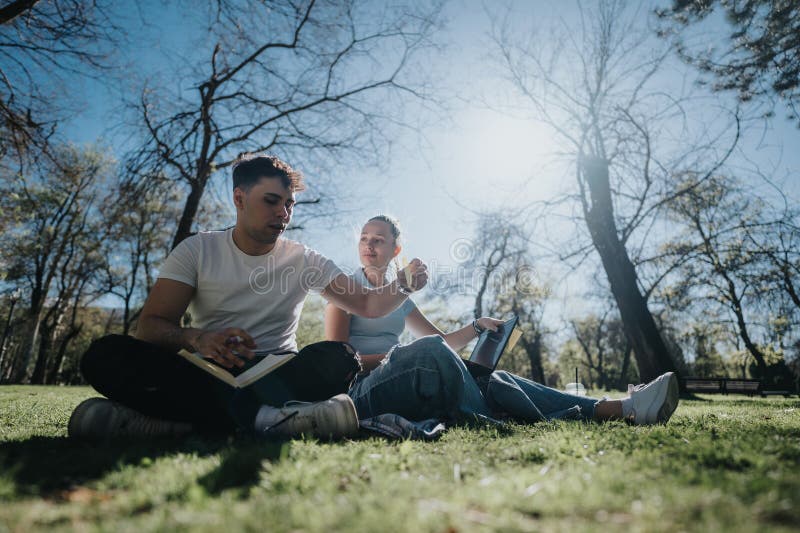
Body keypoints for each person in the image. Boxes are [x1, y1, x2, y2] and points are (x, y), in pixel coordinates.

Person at [68, 155, 429, 441]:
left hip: (278, 376)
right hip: (204, 370)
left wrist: (404, 285)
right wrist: (196, 338)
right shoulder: (197, 249)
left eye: (289, 204)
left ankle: (180, 424)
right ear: (239, 199)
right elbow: (150, 326)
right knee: (104, 355)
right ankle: (265, 420)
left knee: (340, 358)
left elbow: (367, 304)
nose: (283, 214)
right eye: (272, 201)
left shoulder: (304, 258)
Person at [325, 215, 679, 427]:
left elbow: (442, 342)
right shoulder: (344, 289)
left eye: (378, 240)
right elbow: (335, 362)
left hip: (411, 376)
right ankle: (494, 413)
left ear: (395, 250)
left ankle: (625, 408)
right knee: (442, 362)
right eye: (364, 239)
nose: (369, 246)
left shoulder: (400, 297)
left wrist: (477, 326)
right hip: (363, 391)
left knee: (494, 378)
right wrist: (395, 357)